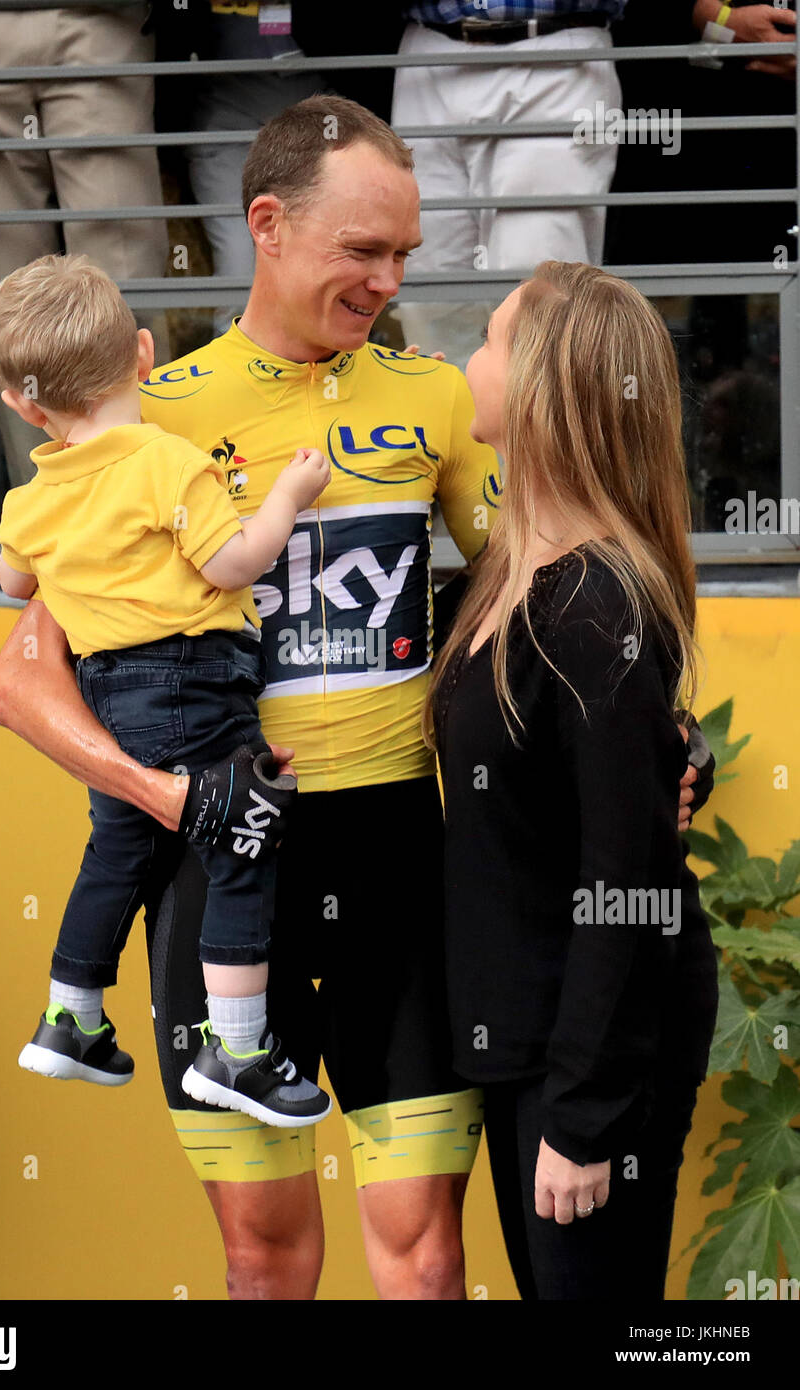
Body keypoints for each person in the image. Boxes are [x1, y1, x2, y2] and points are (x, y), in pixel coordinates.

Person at [0, 96, 710, 1300]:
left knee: (424, 1258)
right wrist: (162, 794)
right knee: (265, 1257)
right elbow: (23, 678)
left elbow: (540, 585)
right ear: (266, 225)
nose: (387, 280)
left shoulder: (438, 398)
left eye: (404, 256)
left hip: (400, 867)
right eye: (361, 251)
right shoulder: (146, 414)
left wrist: (655, 742)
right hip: (221, 872)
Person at [427, 260, 719, 1299]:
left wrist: (582, 1118)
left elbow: (627, 883)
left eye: (494, 338)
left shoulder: (592, 608)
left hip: (589, 1054)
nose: (471, 356)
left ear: (544, 390)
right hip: (524, 1034)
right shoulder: (502, 580)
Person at [0, 251, 331, 1125]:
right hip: (193, 680)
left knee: (119, 848)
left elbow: (14, 585)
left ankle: (71, 1014)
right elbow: (231, 564)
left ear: (22, 406)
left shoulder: (30, 501)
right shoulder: (165, 460)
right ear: (143, 355)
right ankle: (238, 1047)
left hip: (107, 695)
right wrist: (288, 495)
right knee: (244, 837)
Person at [0, 2, 171, 486]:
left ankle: (157, 501)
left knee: (127, 280)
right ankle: (49, 525)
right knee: (9, 305)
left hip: (94, 15)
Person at [392, 0, 627, 369]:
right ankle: (451, 425)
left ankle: (537, 427)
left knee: (537, 293)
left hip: (555, 47)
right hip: (428, 49)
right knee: (430, 289)